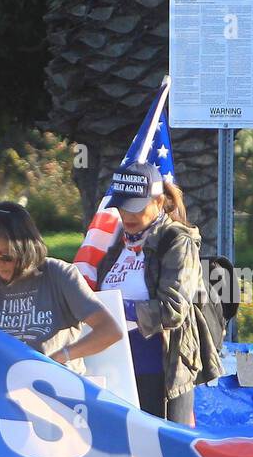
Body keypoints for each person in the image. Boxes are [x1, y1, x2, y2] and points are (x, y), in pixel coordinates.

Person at [92, 161, 220, 424]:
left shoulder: (176, 240)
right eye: (121, 207)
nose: (127, 215)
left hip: (162, 370)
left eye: (135, 208)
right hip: (114, 369)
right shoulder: (117, 245)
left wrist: (116, 306)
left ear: (159, 201)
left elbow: (174, 309)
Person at [0, 201, 122, 365]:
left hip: (56, 385)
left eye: (6, 256)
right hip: (3, 384)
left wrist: (62, 356)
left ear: (27, 248)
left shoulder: (59, 275)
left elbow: (110, 331)